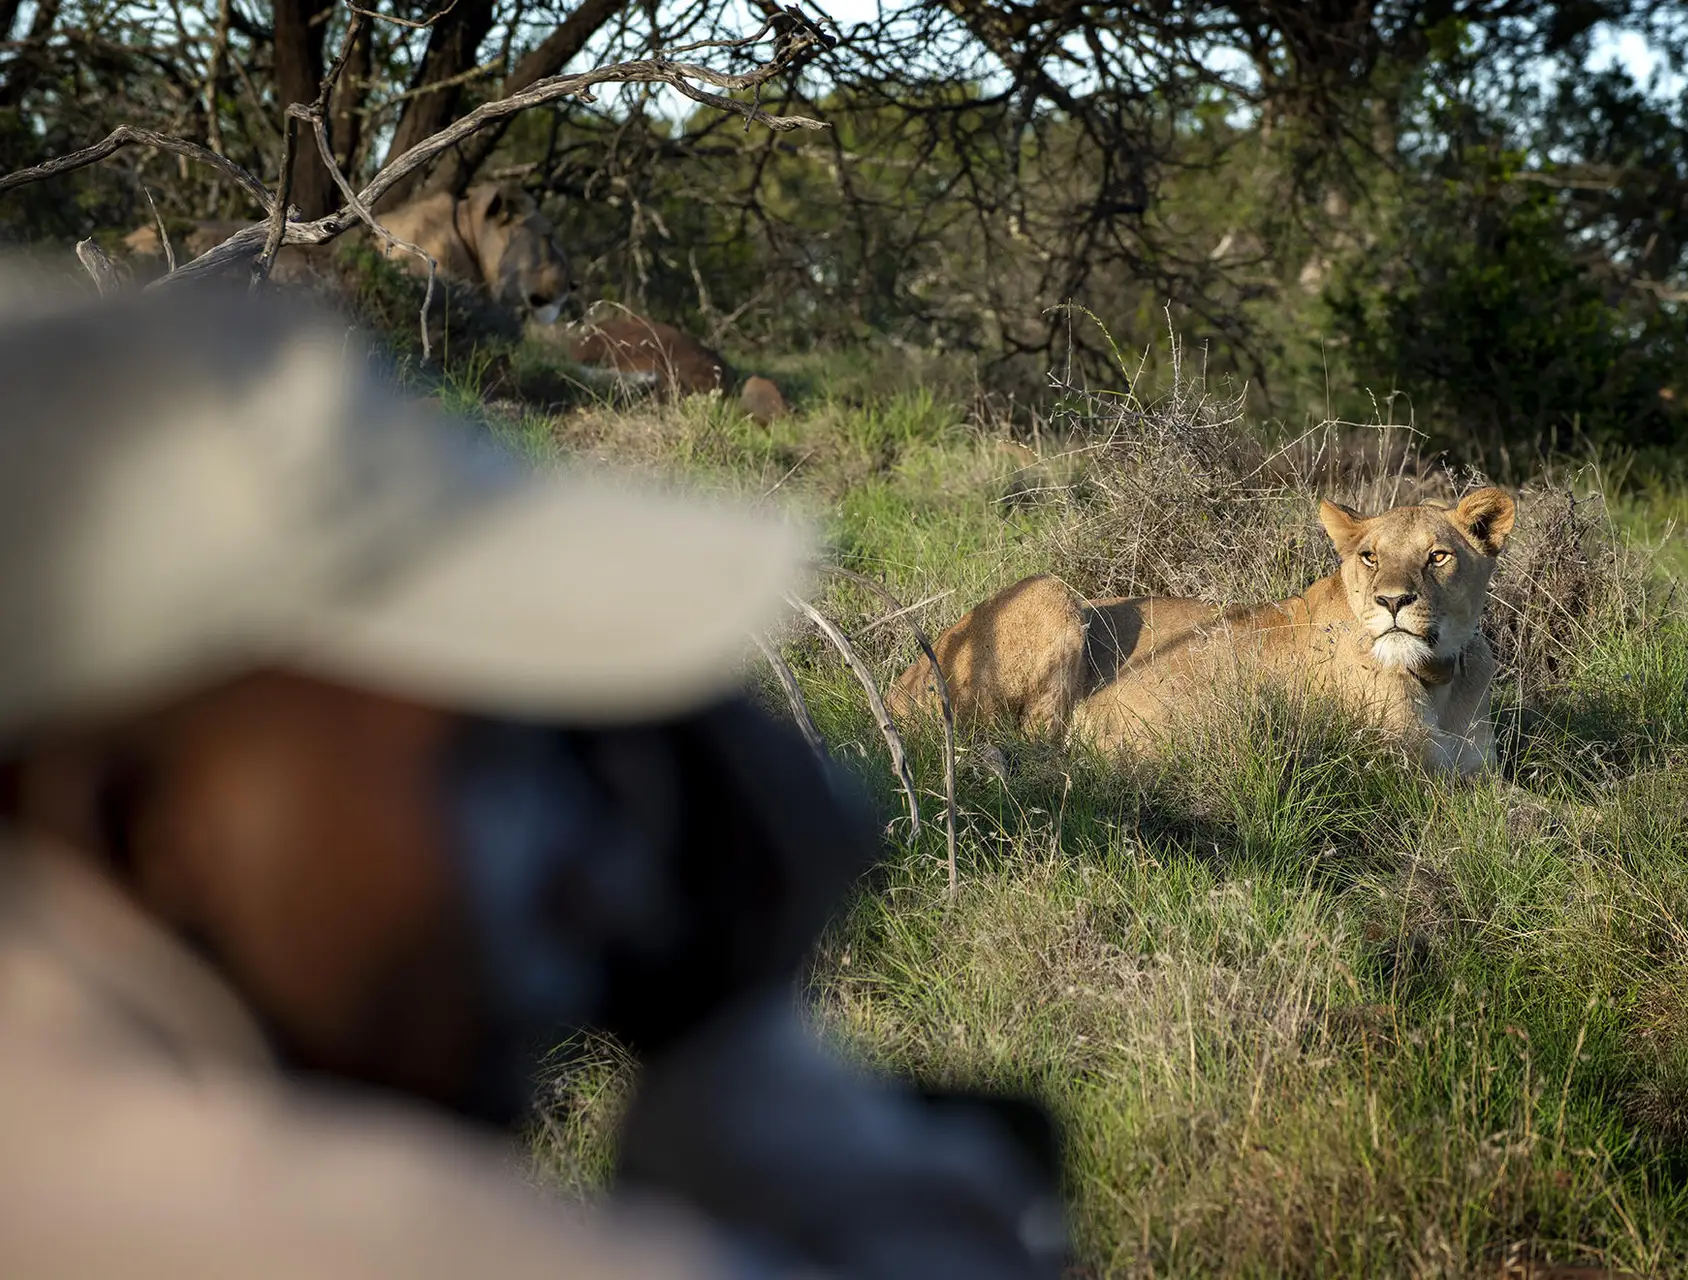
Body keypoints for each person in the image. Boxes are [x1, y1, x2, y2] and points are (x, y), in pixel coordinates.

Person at [0, 282, 1066, 1278]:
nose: (591, 880)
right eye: (481, 766)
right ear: (131, 815)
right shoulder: (325, 1232)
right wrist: (737, 1040)